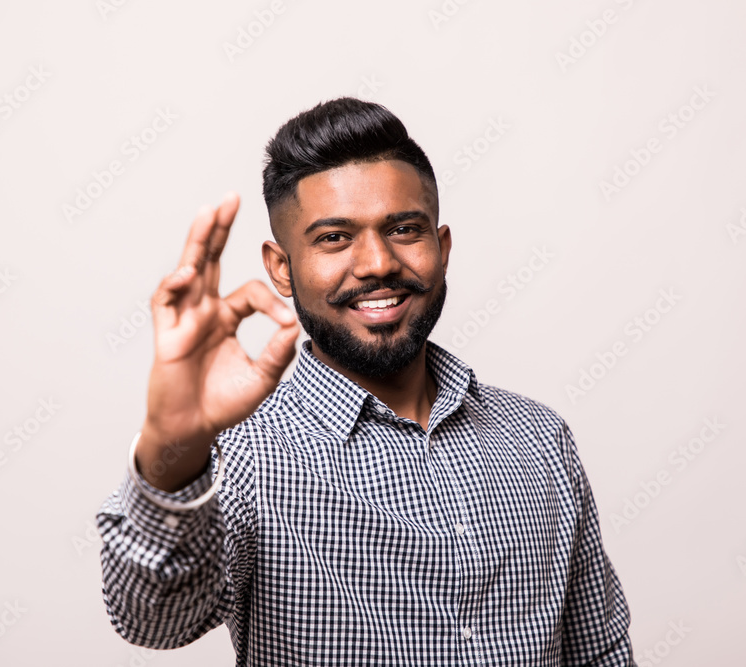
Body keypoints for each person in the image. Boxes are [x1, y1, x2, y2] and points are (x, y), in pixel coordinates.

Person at [96, 97, 635, 665]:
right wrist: (175, 445)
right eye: (334, 237)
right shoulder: (240, 455)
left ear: (441, 248)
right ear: (282, 268)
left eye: (404, 229)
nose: (377, 262)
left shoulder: (539, 436)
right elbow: (151, 619)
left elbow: (598, 651)